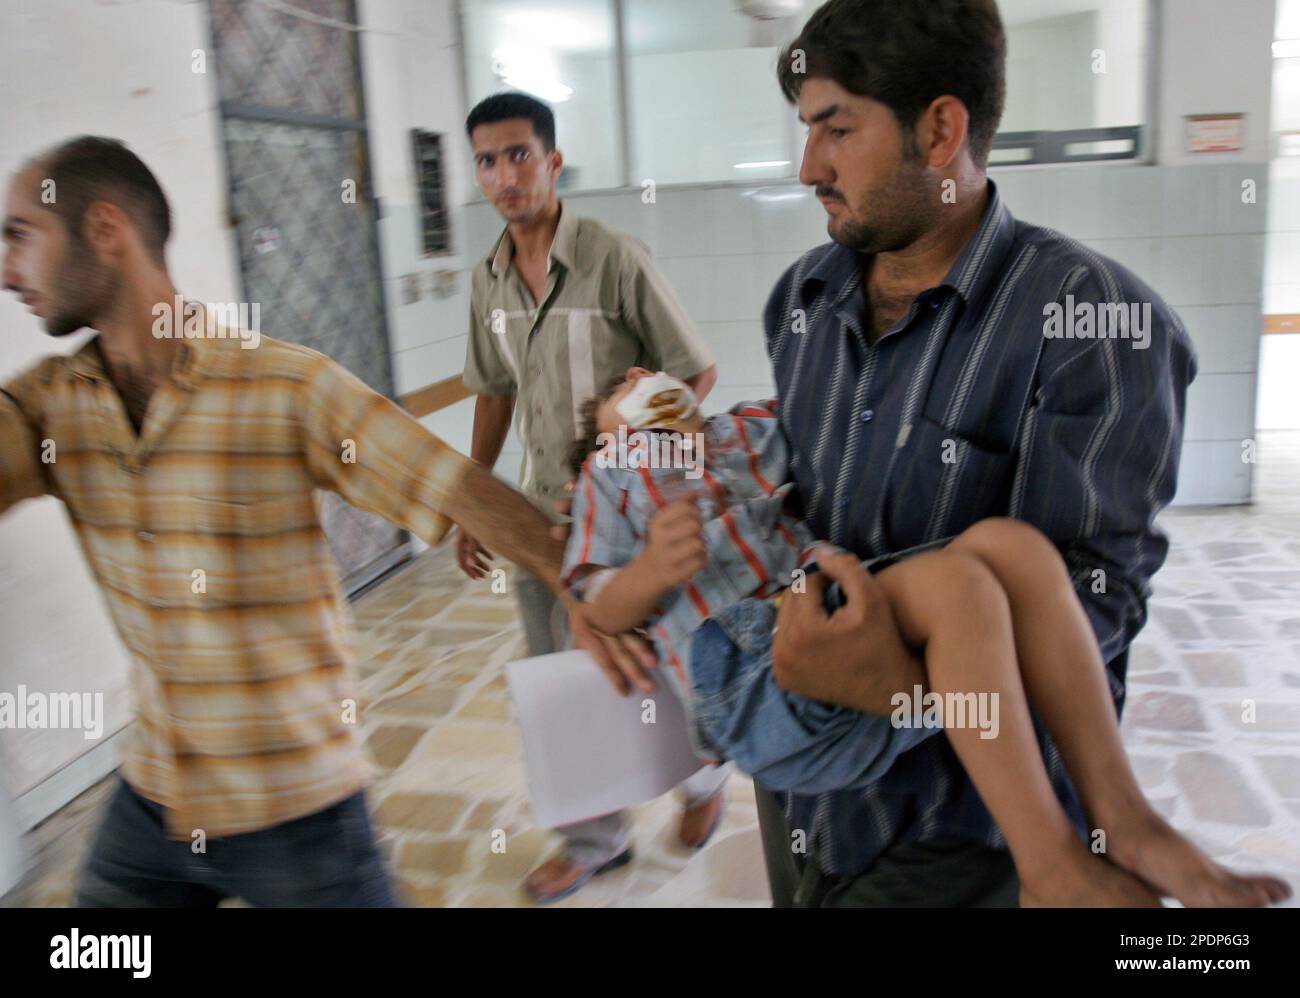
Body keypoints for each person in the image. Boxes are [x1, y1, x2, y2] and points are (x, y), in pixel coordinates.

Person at [0, 136, 567, 906]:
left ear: (105, 230)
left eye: (19, 236)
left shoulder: (282, 386)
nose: (7, 272)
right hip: (156, 793)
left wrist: (586, 587)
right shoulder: (48, 404)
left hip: (296, 807)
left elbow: (449, 482)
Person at [560, 367, 1291, 907]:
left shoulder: (742, 431)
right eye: (621, 387)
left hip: (829, 608)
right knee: (960, 586)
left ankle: (1126, 820)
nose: (638, 376)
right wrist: (652, 570)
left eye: (645, 372)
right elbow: (600, 604)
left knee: (1012, 549)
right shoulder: (610, 478)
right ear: (608, 433)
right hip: (749, 679)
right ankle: (1049, 864)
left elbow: (837, 424)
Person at [456, 92, 727, 903]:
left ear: (552, 161)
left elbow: (695, 371)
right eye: (487, 161)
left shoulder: (613, 256)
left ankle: (702, 781)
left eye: (518, 155)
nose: (504, 175)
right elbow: (494, 393)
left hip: (625, 522)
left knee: (651, 665)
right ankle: (595, 841)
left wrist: (632, 460)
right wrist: (471, 500)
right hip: (540, 522)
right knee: (562, 677)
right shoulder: (489, 281)